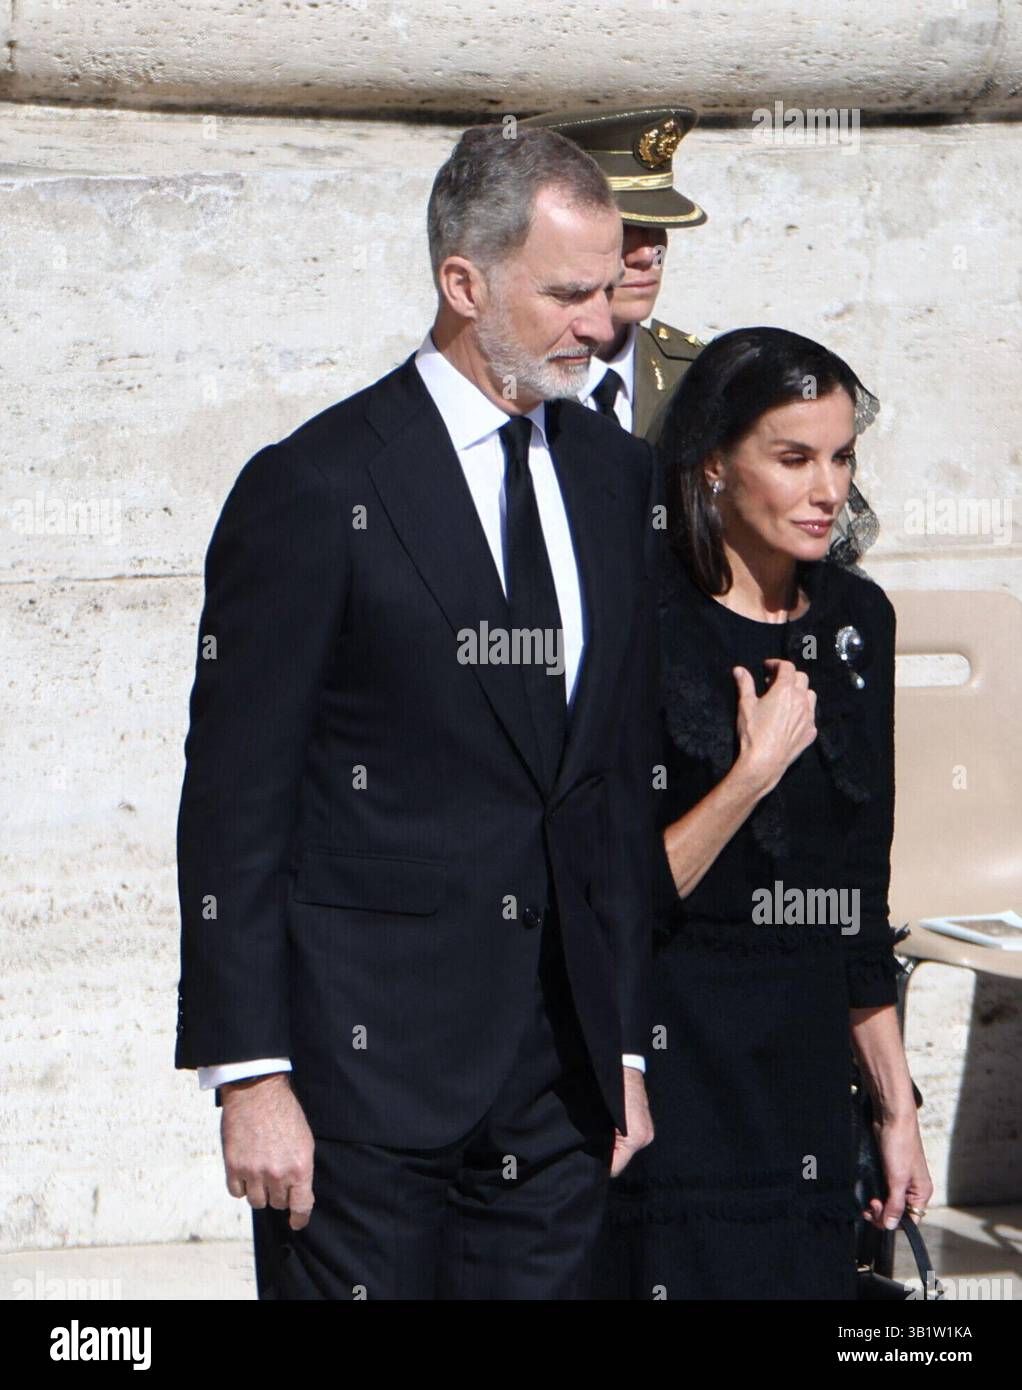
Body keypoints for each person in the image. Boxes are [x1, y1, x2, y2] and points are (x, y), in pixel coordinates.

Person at [174, 122, 660, 1300]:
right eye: (564, 292)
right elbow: (235, 799)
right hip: (360, 1081)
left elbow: (607, 783)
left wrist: (627, 1043)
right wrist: (251, 1071)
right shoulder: (317, 483)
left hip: (558, 1085)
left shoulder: (613, 479)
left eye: (606, 288)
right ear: (462, 281)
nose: (598, 323)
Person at [593, 326, 933, 1299]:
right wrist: (752, 770)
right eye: (792, 458)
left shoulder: (856, 622)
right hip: (676, 1048)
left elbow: (858, 890)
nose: (826, 489)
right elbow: (625, 889)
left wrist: (893, 1104)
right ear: (710, 469)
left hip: (804, 1059)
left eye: (840, 456)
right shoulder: (641, 625)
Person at [521, 107, 707, 441]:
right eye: (624, 229)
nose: (649, 254)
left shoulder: (695, 376)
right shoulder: (512, 379)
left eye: (657, 228)